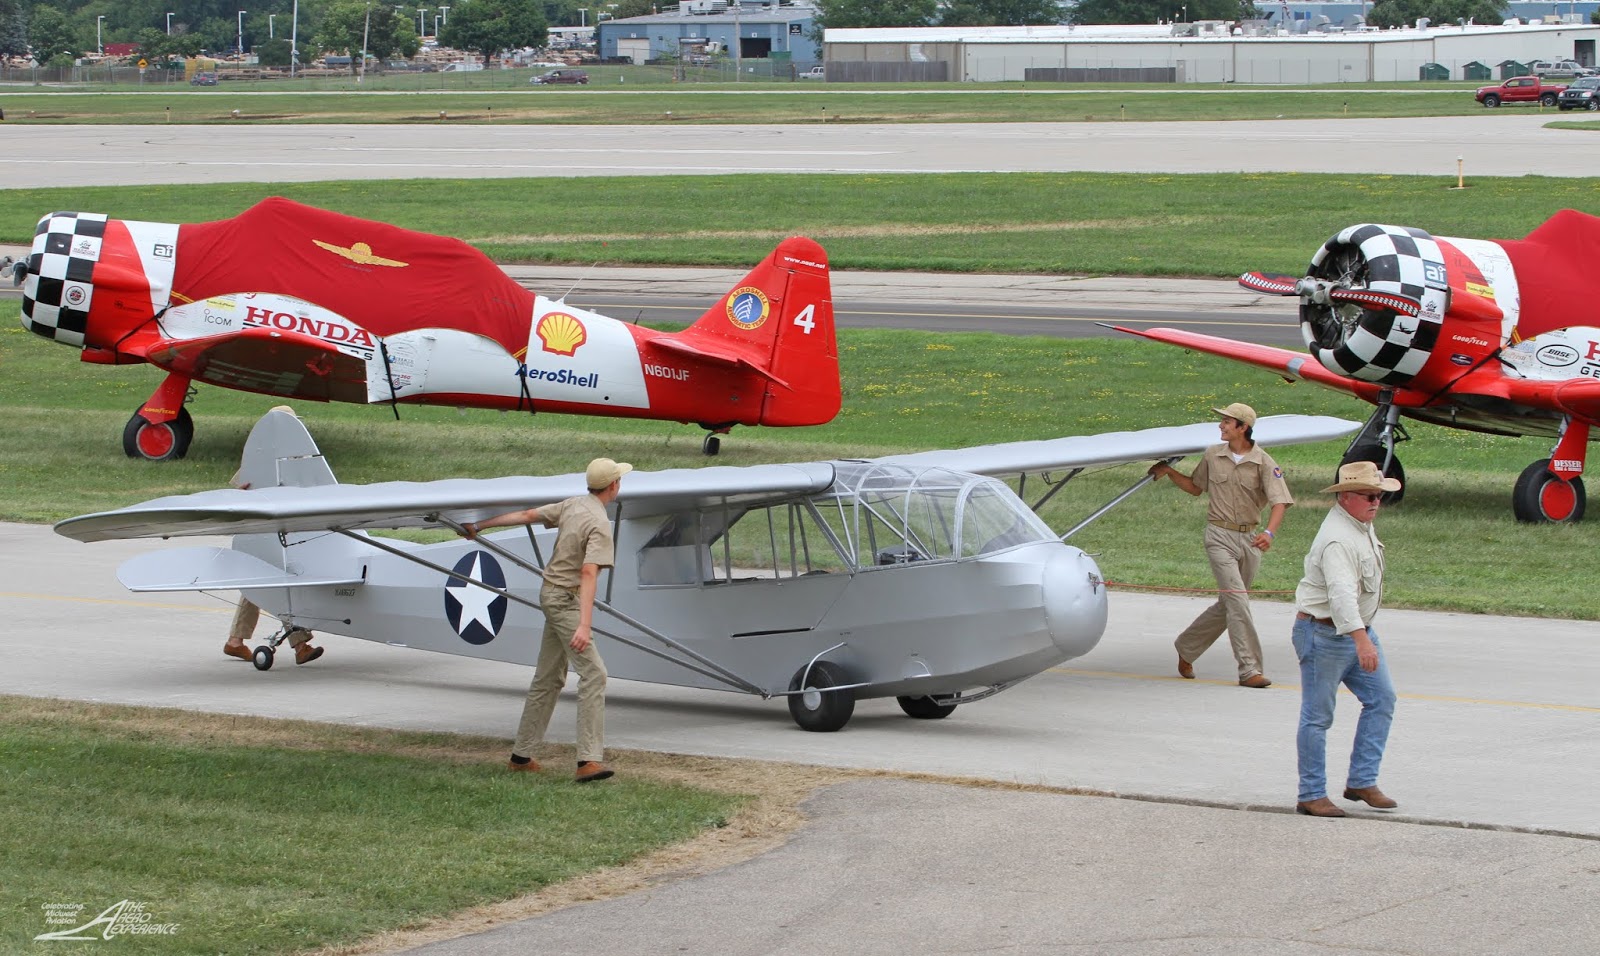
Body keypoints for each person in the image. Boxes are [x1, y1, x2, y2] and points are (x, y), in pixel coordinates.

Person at [461, 457, 631, 783]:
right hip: (564, 601)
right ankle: (588, 761)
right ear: (613, 486)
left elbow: (527, 515)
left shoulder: (572, 504)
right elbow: (588, 572)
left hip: (550, 594)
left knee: (549, 677)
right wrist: (584, 625)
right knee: (594, 673)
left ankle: (521, 757)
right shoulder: (599, 523)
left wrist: (479, 527)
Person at [1148, 402, 1293, 688]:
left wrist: (1270, 533)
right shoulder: (1213, 455)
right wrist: (1169, 471)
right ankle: (1250, 670)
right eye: (1222, 421)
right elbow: (1195, 487)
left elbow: (1280, 501)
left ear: (1243, 428)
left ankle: (1186, 647)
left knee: (1230, 603)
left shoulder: (1264, 462)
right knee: (1239, 601)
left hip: (1250, 539)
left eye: (1227, 422)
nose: (1221, 426)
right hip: (1218, 536)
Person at [1291, 461, 1401, 818]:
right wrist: (1362, 641)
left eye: (1380, 495)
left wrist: (1362, 635)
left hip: (1355, 632)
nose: (1376, 502)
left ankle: (1361, 781)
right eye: (1370, 495)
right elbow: (1340, 597)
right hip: (1326, 634)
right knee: (1318, 717)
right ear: (1347, 497)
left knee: (1382, 699)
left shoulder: (1360, 524)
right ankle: (1311, 794)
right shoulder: (1338, 539)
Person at [223, 407, 324, 666]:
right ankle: (300, 645)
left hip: (279, 533)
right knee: (283, 584)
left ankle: (235, 642)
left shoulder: (283, 457)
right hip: (268, 534)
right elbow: (241, 490)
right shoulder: (267, 460)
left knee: (259, 586)